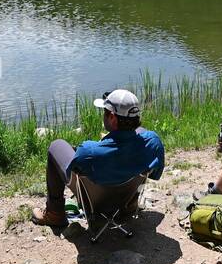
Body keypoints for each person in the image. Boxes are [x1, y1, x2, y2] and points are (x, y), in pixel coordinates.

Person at [31, 88, 165, 227]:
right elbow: (154, 174)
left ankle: (55, 214)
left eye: (105, 112)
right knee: (139, 135)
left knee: (56, 145)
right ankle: (130, 204)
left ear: (112, 117)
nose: (103, 115)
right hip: (126, 197)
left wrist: (104, 147)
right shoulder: (153, 143)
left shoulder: (89, 152)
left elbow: (73, 168)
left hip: (96, 202)